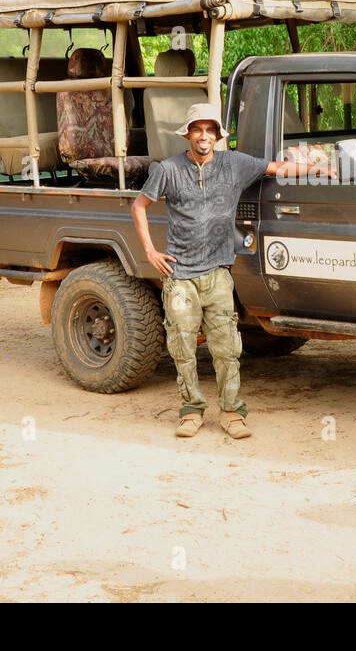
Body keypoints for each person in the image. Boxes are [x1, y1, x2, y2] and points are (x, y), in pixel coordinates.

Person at [131, 102, 330, 440]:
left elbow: (276, 167)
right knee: (182, 346)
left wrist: (318, 171)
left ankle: (230, 412)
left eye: (210, 130)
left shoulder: (234, 164)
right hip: (180, 275)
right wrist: (150, 251)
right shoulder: (168, 169)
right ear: (188, 134)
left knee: (226, 347)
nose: (204, 136)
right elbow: (139, 206)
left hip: (218, 273)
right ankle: (191, 411)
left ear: (218, 136)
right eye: (198, 129)